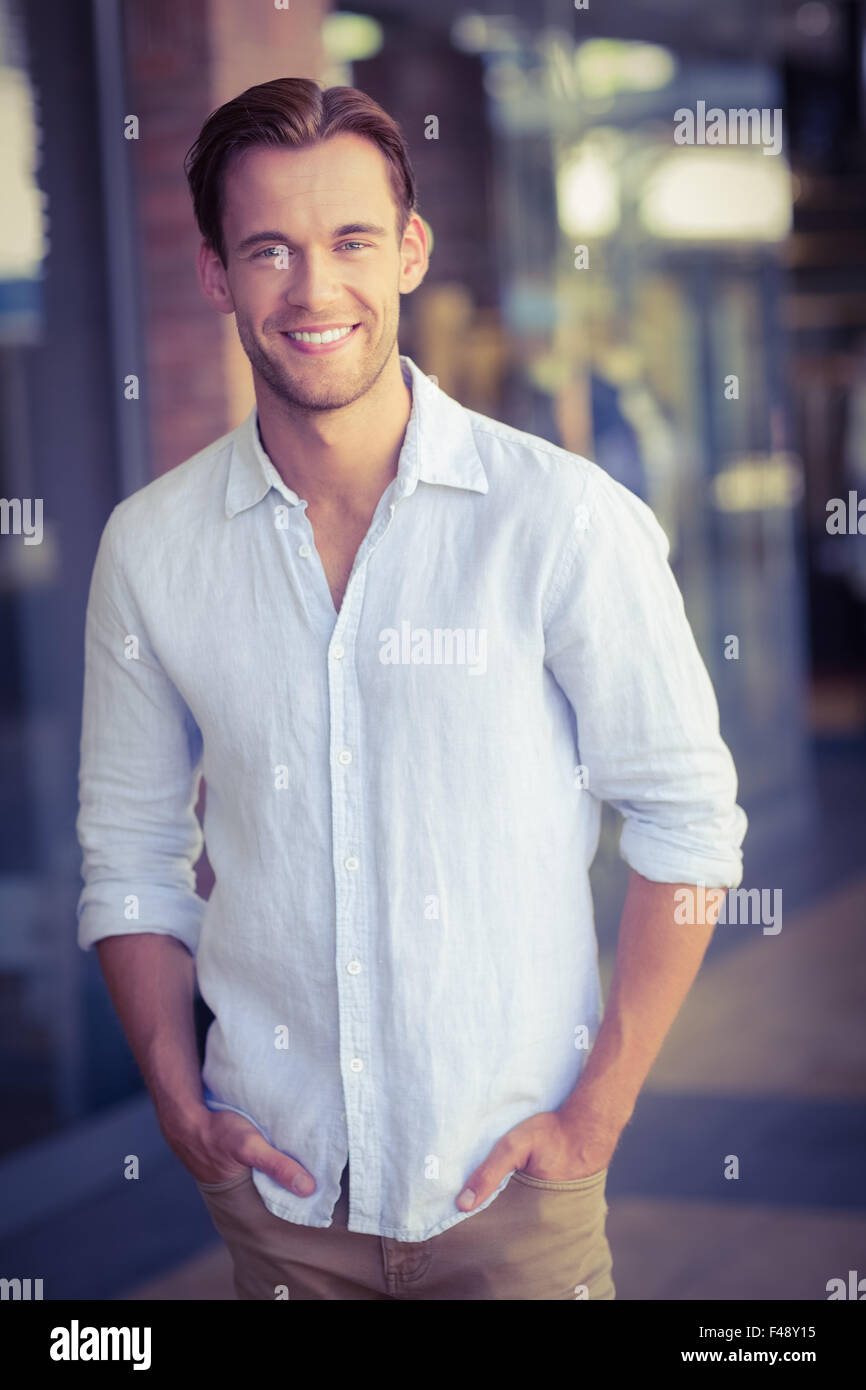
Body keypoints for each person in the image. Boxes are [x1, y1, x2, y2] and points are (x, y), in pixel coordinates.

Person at [75, 78, 747, 1301]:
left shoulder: (558, 522)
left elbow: (686, 821)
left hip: (513, 1203)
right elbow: (128, 853)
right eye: (268, 248)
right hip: (278, 1204)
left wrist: (594, 1116)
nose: (312, 288)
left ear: (409, 253)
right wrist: (181, 1106)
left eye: (349, 243)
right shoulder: (153, 549)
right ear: (217, 274)